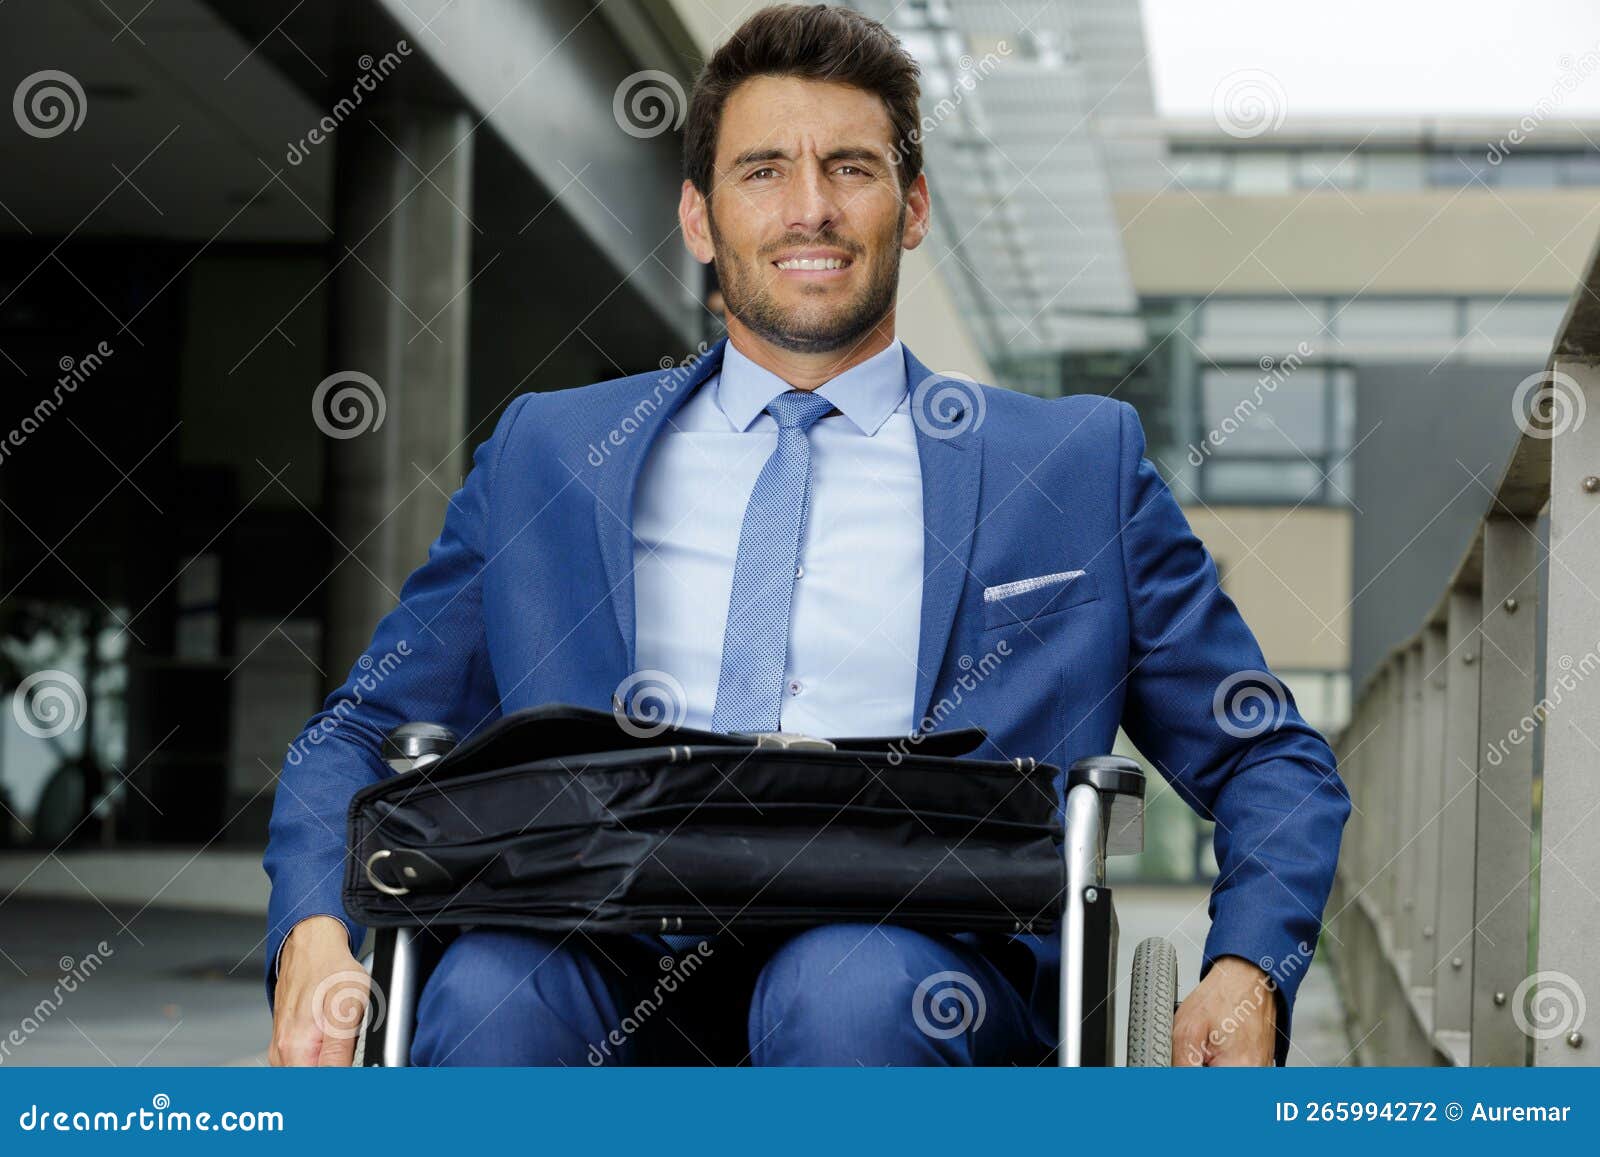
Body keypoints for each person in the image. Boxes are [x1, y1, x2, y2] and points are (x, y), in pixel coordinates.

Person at [265, 3, 1348, 1068]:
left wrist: (1247, 966)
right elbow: (359, 732)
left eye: (851, 168)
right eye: (762, 170)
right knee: (493, 991)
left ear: (912, 205)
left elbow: (1268, 754)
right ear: (699, 218)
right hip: (593, 937)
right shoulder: (550, 455)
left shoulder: (1071, 469)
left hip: (915, 959)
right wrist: (314, 934)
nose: (809, 209)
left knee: (841, 988)